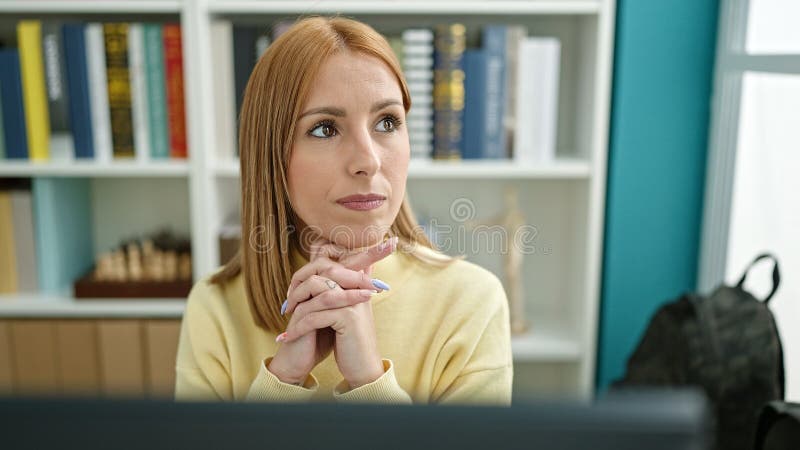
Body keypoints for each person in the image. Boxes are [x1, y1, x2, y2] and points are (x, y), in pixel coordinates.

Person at [174, 16, 513, 404]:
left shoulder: (473, 302)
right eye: (325, 129)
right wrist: (283, 379)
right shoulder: (214, 309)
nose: (367, 161)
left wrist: (369, 380)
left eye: (387, 121)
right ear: (271, 155)